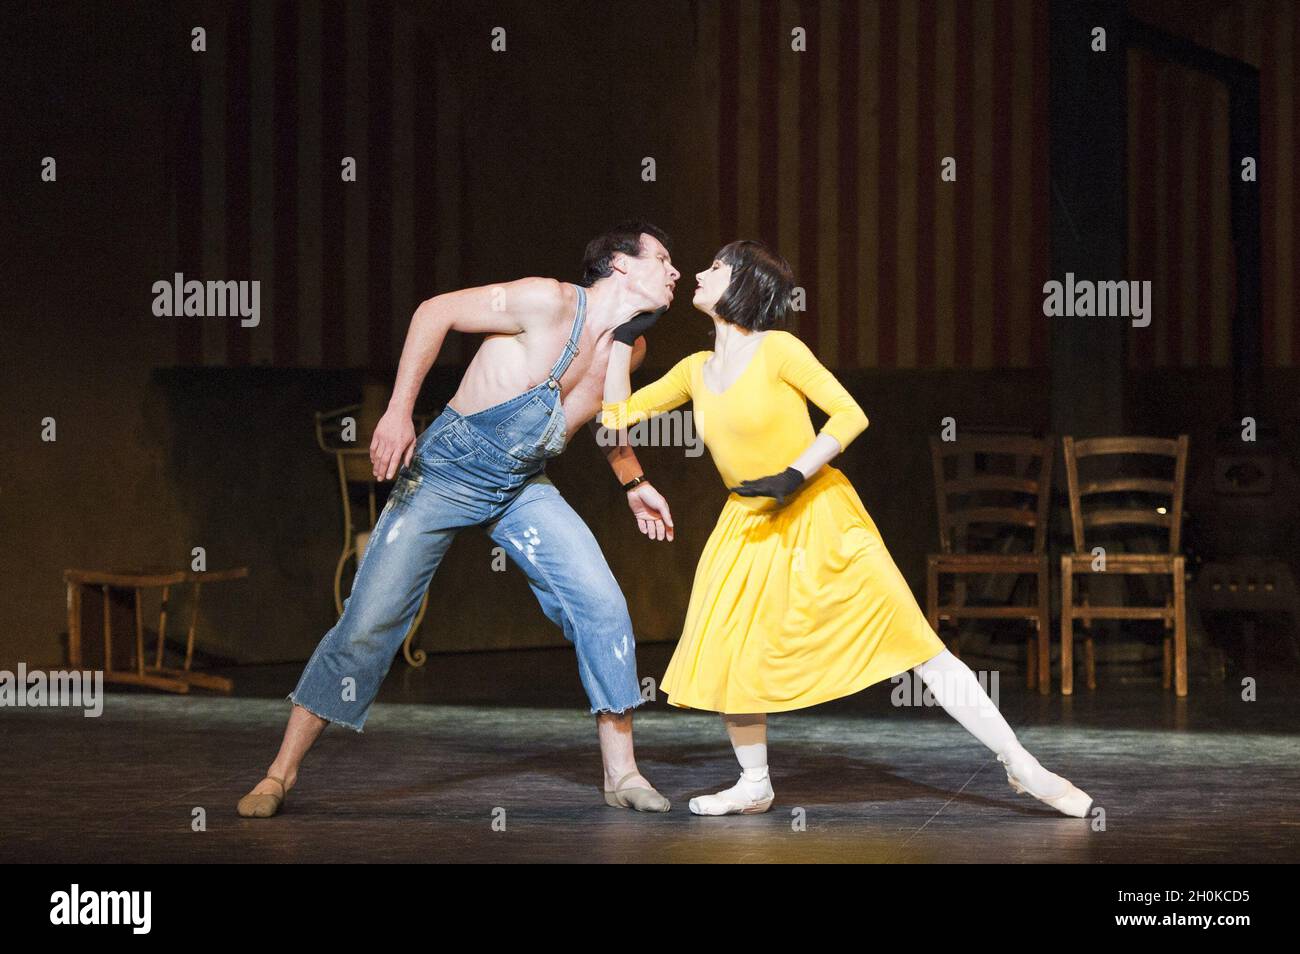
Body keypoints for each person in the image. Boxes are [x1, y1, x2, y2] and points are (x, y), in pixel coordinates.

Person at [600, 239, 1093, 818]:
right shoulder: (693, 371)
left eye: (714, 267)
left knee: (916, 644)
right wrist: (619, 339)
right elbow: (615, 418)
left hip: (820, 510)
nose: (698, 275)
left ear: (742, 287)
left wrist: (794, 472)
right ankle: (754, 782)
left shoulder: (779, 349)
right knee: (734, 650)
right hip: (748, 524)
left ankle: (1021, 763)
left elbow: (850, 413)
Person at [238, 221, 684, 817]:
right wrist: (398, 414)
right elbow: (434, 311)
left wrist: (635, 483)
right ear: (620, 265)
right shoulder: (546, 301)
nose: (675, 271)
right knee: (368, 623)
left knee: (601, 604)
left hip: (521, 485)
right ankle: (278, 775)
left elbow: (610, 424)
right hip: (445, 472)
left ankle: (621, 773)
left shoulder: (633, 347)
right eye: (663, 259)